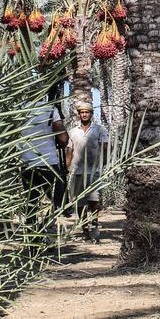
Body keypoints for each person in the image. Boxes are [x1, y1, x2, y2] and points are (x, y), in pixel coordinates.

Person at [20, 98, 69, 231]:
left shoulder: (20, 109)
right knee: (59, 199)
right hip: (48, 163)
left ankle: (32, 238)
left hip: (27, 163)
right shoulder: (51, 109)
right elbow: (63, 138)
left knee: (31, 202)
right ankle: (46, 226)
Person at [67, 101, 108, 242]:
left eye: (87, 112)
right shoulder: (73, 131)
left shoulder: (99, 129)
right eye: (82, 112)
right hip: (78, 171)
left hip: (94, 171)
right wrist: (66, 168)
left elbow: (105, 147)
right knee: (80, 203)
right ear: (79, 115)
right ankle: (85, 229)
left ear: (91, 114)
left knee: (94, 201)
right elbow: (69, 151)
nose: (84, 114)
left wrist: (104, 163)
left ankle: (95, 225)